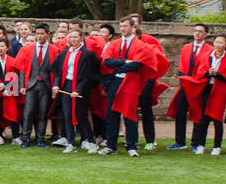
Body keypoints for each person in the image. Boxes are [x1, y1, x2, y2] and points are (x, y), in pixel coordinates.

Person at [99, 17, 166, 156]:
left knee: (130, 115)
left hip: (131, 83)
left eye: (125, 26)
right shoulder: (114, 44)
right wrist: (125, 62)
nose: (122, 29)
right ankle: (111, 146)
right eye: (121, 26)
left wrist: (119, 66)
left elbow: (137, 65)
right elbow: (107, 61)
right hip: (115, 82)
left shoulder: (142, 46)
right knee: (112, 114)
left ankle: (131, 146)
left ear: (133, 28)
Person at [51, 26, 99, 152]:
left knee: (81, 116)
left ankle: (91, 141)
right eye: (71, 37)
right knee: (67, 115)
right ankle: (71, 143)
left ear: (81, 38)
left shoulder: (87, 54)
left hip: (81, 87)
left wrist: (78, 89)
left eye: (76, 37)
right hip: (66, 85)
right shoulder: (65, 53)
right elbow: (58, 72)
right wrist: (56, 84)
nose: (73, 39)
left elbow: (88, 75)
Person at [189, 34, 226, 156]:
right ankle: (201, 145)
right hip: (206, 88)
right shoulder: (206, 56)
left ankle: (217, 146)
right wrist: (207, 73)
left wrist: (217, 74)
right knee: (203, 119)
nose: (218, 45)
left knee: (217, 119)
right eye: (216, 42)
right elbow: (199, 71)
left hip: (219, 90)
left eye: (221, 43)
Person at [166, 24, 213, 149]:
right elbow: (181, 65)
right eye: (195, 31)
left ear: (205, 35)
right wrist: (184, 80)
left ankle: (196, 142)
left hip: (199, 86)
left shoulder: (210, 50)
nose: (197, 33)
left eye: (200, 31)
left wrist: (198, 81)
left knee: (198, 114)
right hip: (186, 85)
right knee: (180, 112)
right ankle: (180, 141)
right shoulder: (187, 47)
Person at [15, 22, 56, 148]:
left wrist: (55, 86)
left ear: (47, 35)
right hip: (31, 85)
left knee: (43, 113)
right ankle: (25, 139)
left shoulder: (54, 50)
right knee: (28, 113)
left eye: (42, 34)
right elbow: (21, 69)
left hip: (46, 85)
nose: (39, 36)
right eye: (37, 34)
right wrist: (22, 85)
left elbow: (57, 71)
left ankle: (40, 140)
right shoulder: (27, 49)